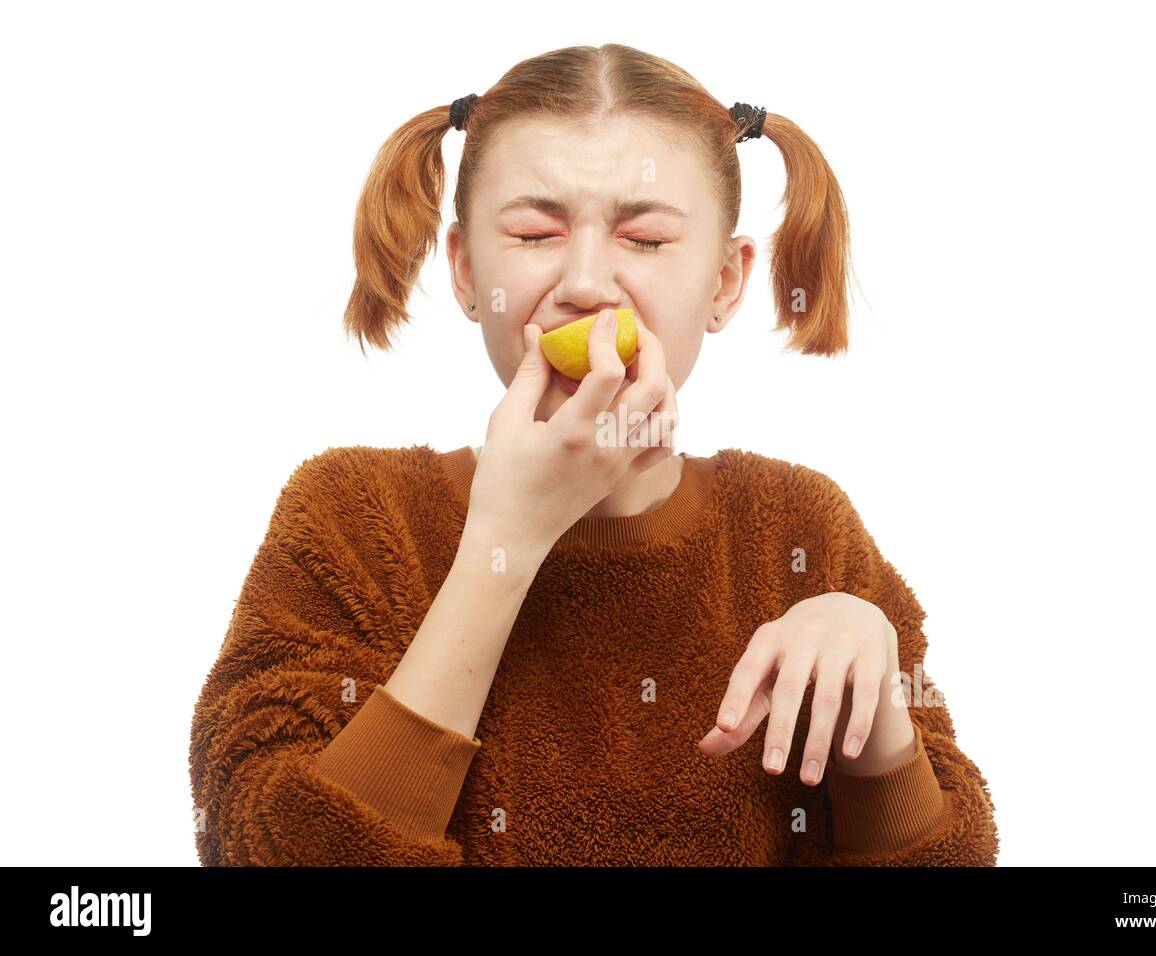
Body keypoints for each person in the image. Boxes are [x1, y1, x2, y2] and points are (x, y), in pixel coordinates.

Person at [189, 42, 999, 866]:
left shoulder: (800, 531)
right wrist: (505, 540)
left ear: (725, 282)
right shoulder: (350, 518)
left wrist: (877, 711)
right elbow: (263, 848)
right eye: (535, 232)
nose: (586, 281)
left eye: (644, 240)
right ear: (467, 270)